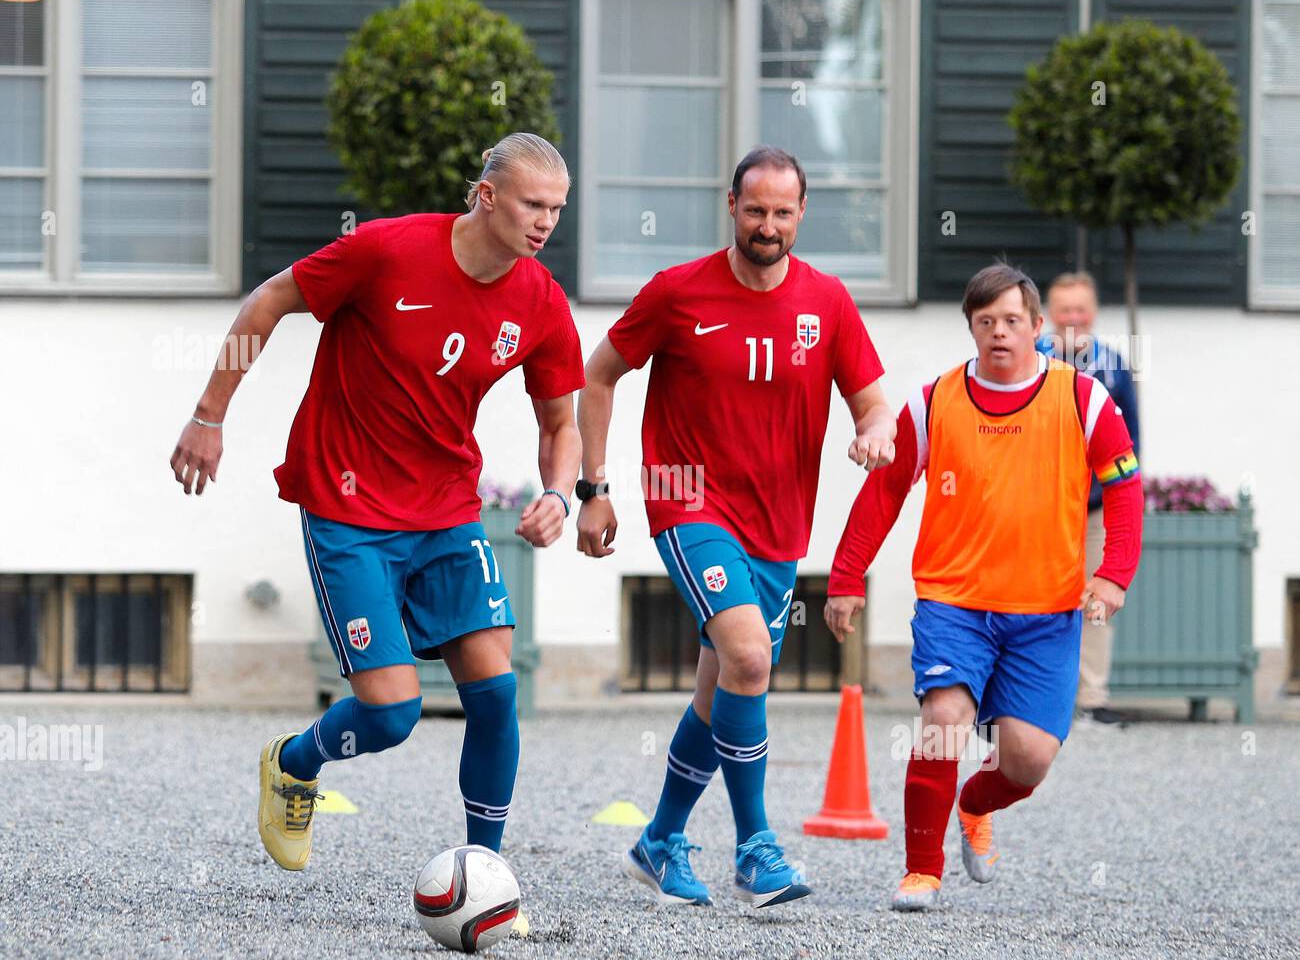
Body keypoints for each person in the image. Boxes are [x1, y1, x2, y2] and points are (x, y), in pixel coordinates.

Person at [168, 133, 585, 872]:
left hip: (449, 512)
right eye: (532, 203)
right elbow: (268, 300)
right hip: (348, 506)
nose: (546, 221)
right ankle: (295, 762)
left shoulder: (542, 301)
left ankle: (484, 872)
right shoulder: (386, 252)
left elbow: (561, 425)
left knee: (495, 695)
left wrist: (560, 492)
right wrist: (209, 415)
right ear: (487, 196)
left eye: (557, 206)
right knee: (392, 714)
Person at [577, 146, 896, 909]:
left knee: (725, 691)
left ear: (801, 214)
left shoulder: (828, 302)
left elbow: (875, 401)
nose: (768, 225)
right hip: (686, 499)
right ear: (731, 205)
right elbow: (598, 372)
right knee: (750, 659)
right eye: (755, 210)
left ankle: (659, 840)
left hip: (778, 523)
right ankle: (756, 848)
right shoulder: (678, 291)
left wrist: (876, 432)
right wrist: (593, 488)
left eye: (783, 212)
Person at [824, 262, 1143, 911]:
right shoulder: (934, 400)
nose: (999, 333)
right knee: (944, 720)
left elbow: (1126, 486)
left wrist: (1112, 575)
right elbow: (883, 491)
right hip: (954, 601)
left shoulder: (1084, 399)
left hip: (1046, 610)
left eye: (1011, 322)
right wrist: (845, 575)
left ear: (1037, 327)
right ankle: (921, 868)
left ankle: (975, 804)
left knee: (1027, 761)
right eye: (985, 322)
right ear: (971, 327)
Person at [1036, 271, 1141, 725]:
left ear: (1093, 312)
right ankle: (1035, 696)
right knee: (1035, 598)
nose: (1074, 317)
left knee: (1096, 600)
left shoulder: (1115, 366)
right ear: (1049, 315)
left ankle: (1093, 697)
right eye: (1065, 310)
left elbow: (1131, 442)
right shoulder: (1029, 360)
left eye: (1081, 309)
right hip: (1039, 506)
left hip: (1096, 509)